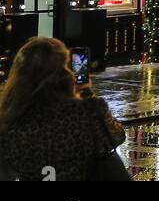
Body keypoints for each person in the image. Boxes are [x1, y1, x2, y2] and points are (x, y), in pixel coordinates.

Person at [0, 37, 127, 181]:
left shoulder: (10, 120)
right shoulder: (87, 110)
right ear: (65, 72)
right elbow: (116, 137)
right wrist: (86, 93)